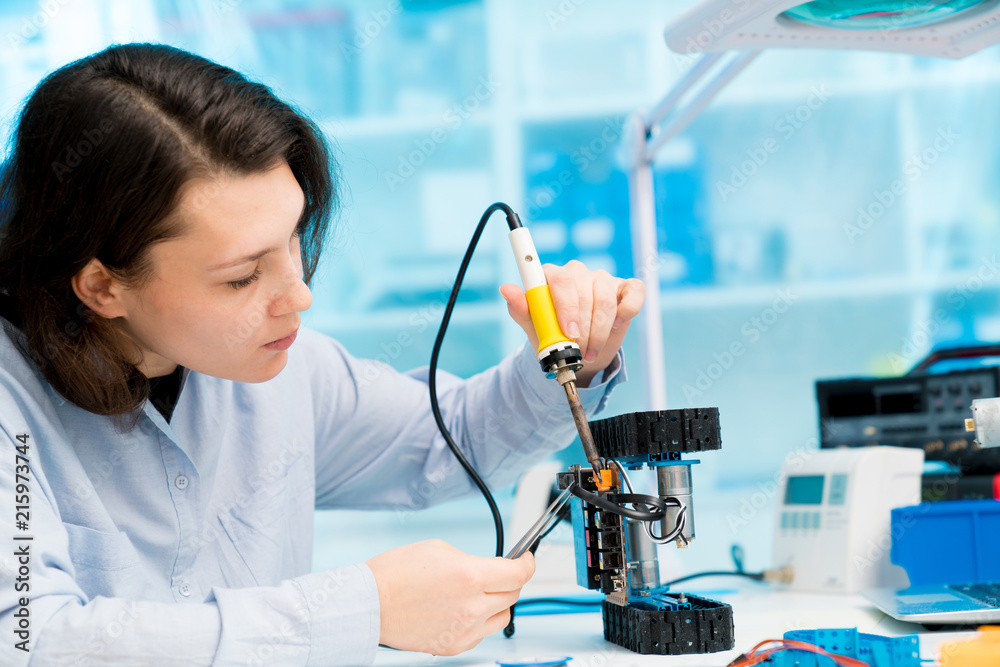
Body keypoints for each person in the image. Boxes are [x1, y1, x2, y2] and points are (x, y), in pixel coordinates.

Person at [0, 43, 644, 666]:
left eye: (293, 238)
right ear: (102, 286)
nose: (299, 296)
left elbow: (452, 439)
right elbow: (30, 642)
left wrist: (572, 354)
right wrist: (366, 610)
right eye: (241, 277)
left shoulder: (272, 366)